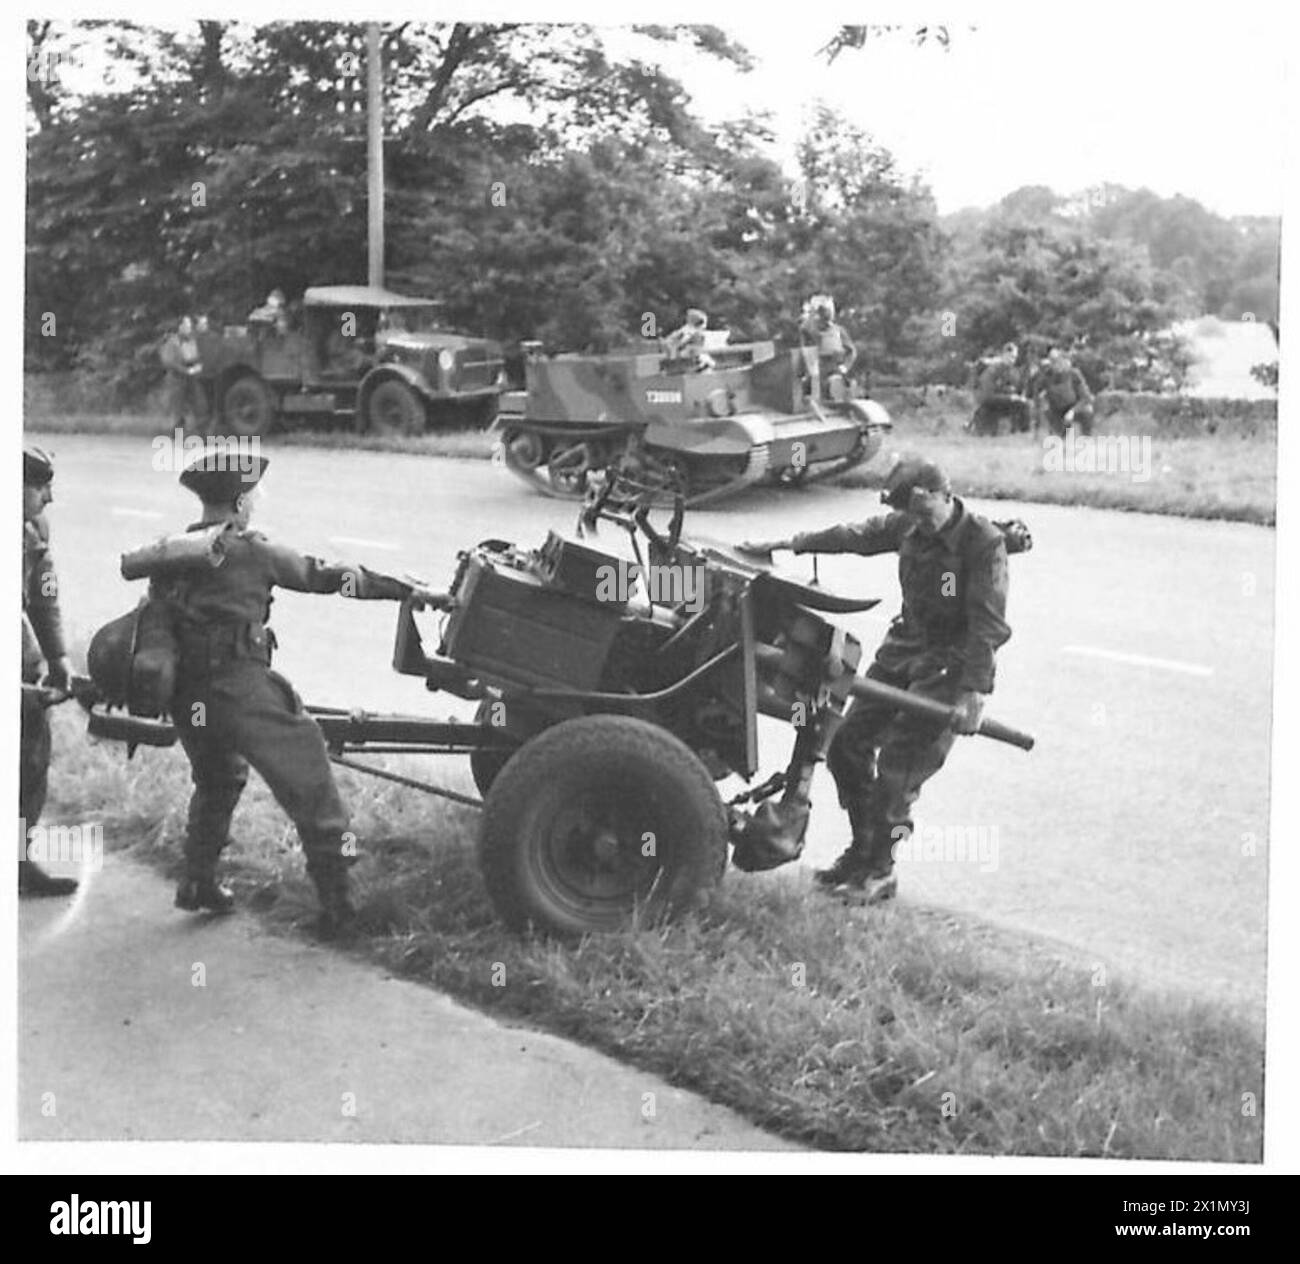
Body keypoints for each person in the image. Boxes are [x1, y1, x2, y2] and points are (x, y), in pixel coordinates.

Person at [149, 447, 438, 937]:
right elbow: (325, 575)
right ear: (239, 502)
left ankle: (197, 881)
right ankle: (339, 907)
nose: (257, 504)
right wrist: (403, 589)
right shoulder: (251, 549)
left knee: (218, 780)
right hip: (240, 690)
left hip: (189, 698)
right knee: (313, 788)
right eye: (253, 496)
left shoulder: (171, 554)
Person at [738, 457, 1015, 905]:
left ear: (944, 495)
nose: (919, 525)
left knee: (899, 770)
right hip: (904, 648)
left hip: (950, 663)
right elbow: (856, 536)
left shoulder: (983, 544)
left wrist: (974, 692)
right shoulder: (907, 526)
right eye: (911, 516)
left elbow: (988, 625)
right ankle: (862, 851)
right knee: (847, 745)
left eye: (925, 514)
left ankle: (881, 870)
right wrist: (790, 543)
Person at [21, 446, 78, 897]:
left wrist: (57, 657)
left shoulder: (35, 525)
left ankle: (17, 861)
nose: (49, 498)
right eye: (40, 487)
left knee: (30, 758)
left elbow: (44, 592)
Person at [969, 341, 1030, 435]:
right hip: (990, 405)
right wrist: (1009, 398)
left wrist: (1019, 397)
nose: (1012, 360)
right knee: (986, 430)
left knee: (1024, 405)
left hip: (1005, 404)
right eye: (1010, 357)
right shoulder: (992, 371)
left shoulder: (1014, 372)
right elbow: (987, 397)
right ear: (1004, 355)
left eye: (1014, 357)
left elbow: (1017, 389)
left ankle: (1024, 434)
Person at [1032, 346, 1095, 437]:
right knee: (1062, 436)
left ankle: (1087, 437)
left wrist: (1072, 411)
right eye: (1054, 362)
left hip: (1074, 407)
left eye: (1060, 361)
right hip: (1056, 410)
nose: (1057, 365)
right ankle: (1060, 435)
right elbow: (1036, 393)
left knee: (1088, 410)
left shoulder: (1074, 374)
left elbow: (1086, 397)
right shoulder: (1046, 376)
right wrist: (1042, 404)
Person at [799, 295, 858, 392]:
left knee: (837, 387)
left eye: (825, 312)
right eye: (820, 312)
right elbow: (805, 352)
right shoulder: (808, 331)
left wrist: (845, 367)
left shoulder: (839, 331)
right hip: (814, 373)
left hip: (834, 371)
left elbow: (851, 351)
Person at [159, 315, 206, 431]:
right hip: (176, 379)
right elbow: (169, 362)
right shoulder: (172, 342)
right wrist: (186, 370)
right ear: (180, 327)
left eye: (190, 326)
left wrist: (197, 366)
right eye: (186, 325)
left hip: (190, 378)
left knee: (199, 405)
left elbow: (194, 357)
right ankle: (178, 435)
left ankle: (202, 434)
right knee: (177, 409)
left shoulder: (191, 341)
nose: (189, 328)